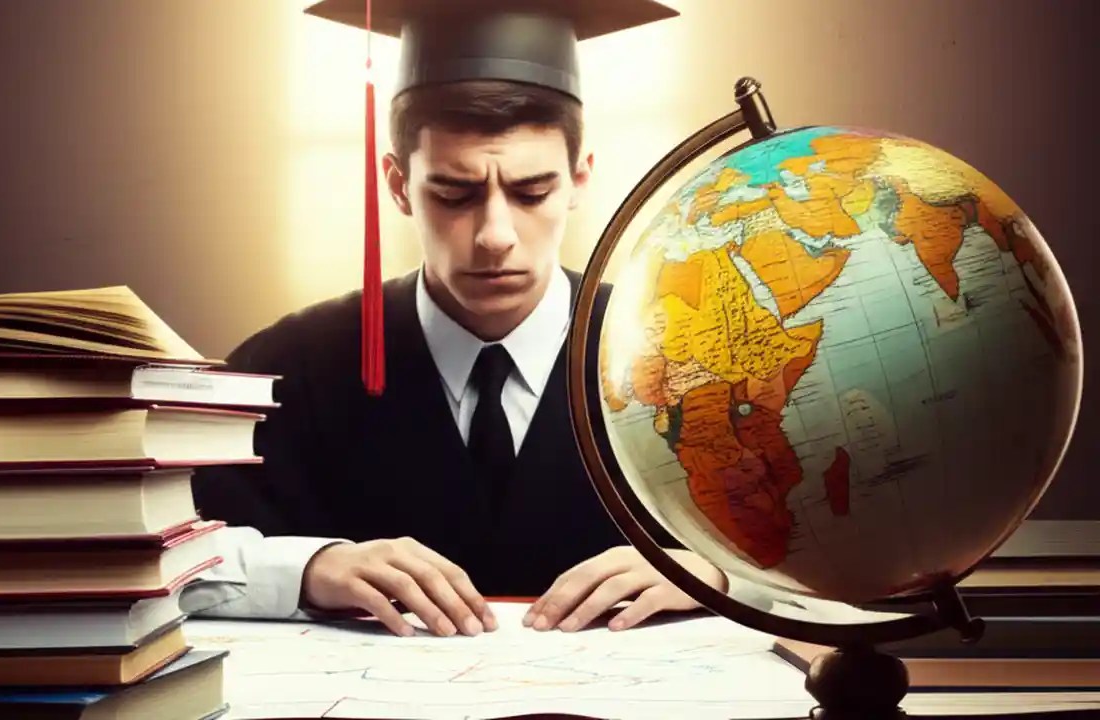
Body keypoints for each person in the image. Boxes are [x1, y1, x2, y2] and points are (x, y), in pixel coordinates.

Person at [182, 0, 729, 639]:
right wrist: (307, 567)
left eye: (532, 193)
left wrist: (715, 572)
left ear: (580, 178)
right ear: (396, 183)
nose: (495, 236)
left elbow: (829, 566)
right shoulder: (287, 368)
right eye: (454, 194)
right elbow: (157, 561)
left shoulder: (683, 352)